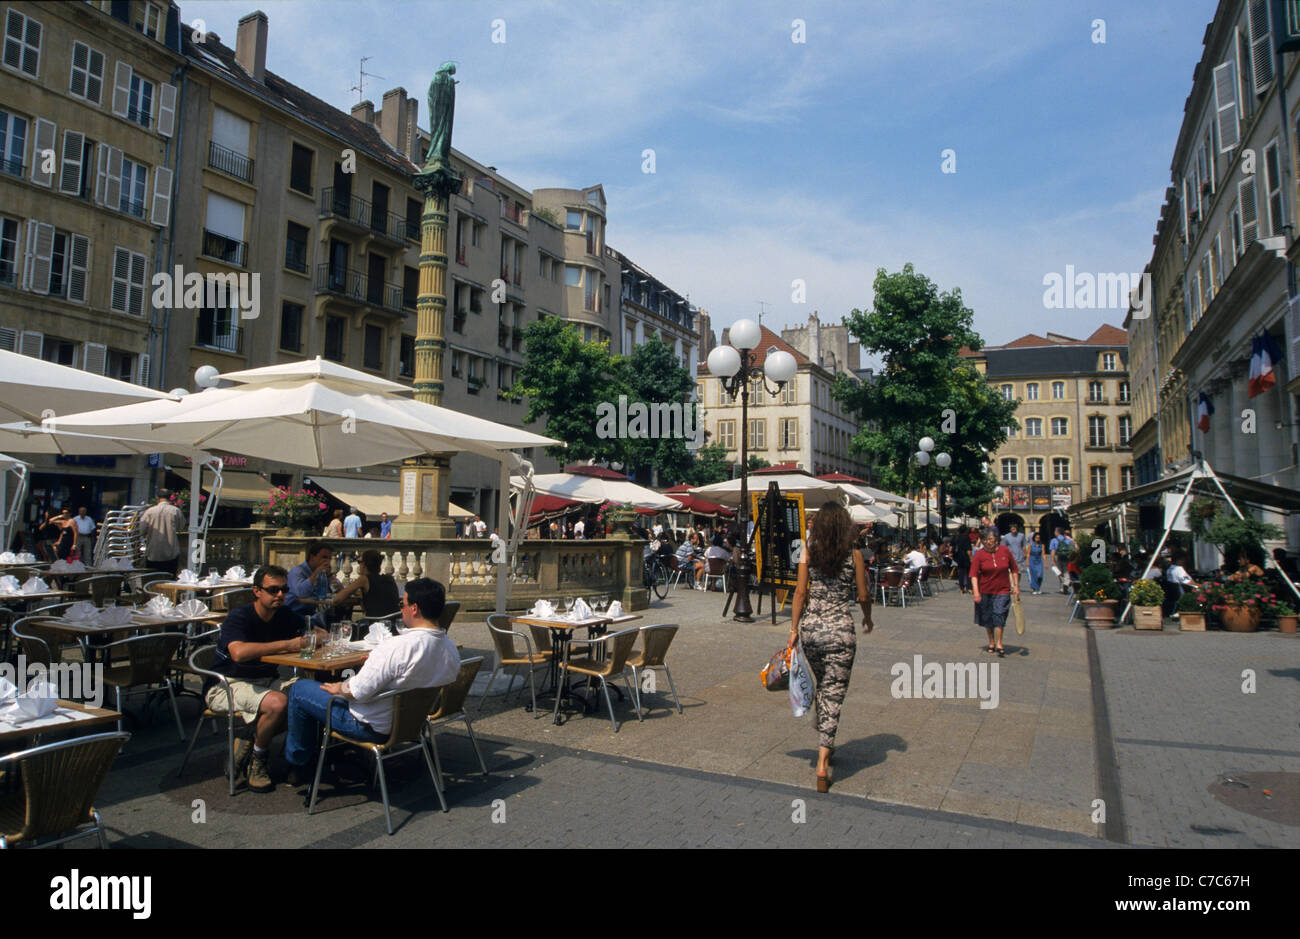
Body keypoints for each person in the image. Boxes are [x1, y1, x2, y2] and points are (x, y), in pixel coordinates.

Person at [284, 577, 461, 781]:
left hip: (369, 726)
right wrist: (376, 662)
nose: (401, 609)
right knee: (319, 689)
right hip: (410, 724)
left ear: (414, 609)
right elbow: (414, 673)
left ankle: (299, 763)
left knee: (300, 689)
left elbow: (357, 691)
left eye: (401, 604)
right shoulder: (449, 648)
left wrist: (339, 687)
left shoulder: (396, 647)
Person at [205, 565, 319, 792]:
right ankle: (259, 759)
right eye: (273, 590)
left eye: (284, 589)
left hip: (266, 680)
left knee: (311, 696)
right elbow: (239, 653)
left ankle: (256, 740)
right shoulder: (240, 616)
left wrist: (316, 636)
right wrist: (288, 645)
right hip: (226, 684)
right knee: (279, 704)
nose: (280, 595)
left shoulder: (284, 614)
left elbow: (318, 632)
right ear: (257, 591)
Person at [789, 502, 872, 793]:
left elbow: (800, 591)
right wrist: (868, 619)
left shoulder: (806, 553)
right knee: (834, 693)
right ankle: (823, 762)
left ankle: (822, 723)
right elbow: (863, 595)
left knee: (824, 686)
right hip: (840, 633)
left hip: (811, 630)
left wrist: (792, 630)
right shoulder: (855, 555)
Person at [971, 526, 1019, 657]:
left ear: (996, 539)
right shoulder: (979, 555)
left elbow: (1014, 569)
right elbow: (974, 575)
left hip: (1003, 590)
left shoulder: (1005, 551)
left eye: (990, 539)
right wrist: (976, 593)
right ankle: (991, 641)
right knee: (987, 619)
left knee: (999, 614)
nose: (988, 542)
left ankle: (999, 643)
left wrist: (1016, 586)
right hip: (985, 590)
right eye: (985, 539)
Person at [330, 549, 402, 620]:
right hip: (393, 622)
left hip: (375, 624)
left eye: (359, 562)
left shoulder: (363, 579)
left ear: (364, 564)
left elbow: (336, 600)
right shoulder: (389, 578)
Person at [287, 542, 339, 629]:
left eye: (329, 558)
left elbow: (338, 591)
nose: (327, 561)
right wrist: (317, 572)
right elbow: (301, 593)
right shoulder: (297, 571)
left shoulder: (323, 574)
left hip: (312, 612)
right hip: (295, 613)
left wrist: (330, 576)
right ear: (312, 557)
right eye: (324, 557)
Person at [139, 490, 184, 576]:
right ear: (170, 498)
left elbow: (141, 530)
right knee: (170, 581)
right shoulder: (176, 511)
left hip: (153, 553)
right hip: (171, 553)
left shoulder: (149, 511)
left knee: (152, 581)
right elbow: (181, 527)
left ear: (158, 498)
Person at [952, 525, 973, 593]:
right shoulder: (966, 538)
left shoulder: (956, 537)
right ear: (965, 530)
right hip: (965, 557)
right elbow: (969, 550)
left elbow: (951, 548)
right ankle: (969, 588)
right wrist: (971, 558)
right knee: (968, 573)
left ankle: (961, 588)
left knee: (960, 573)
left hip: (958, 557)